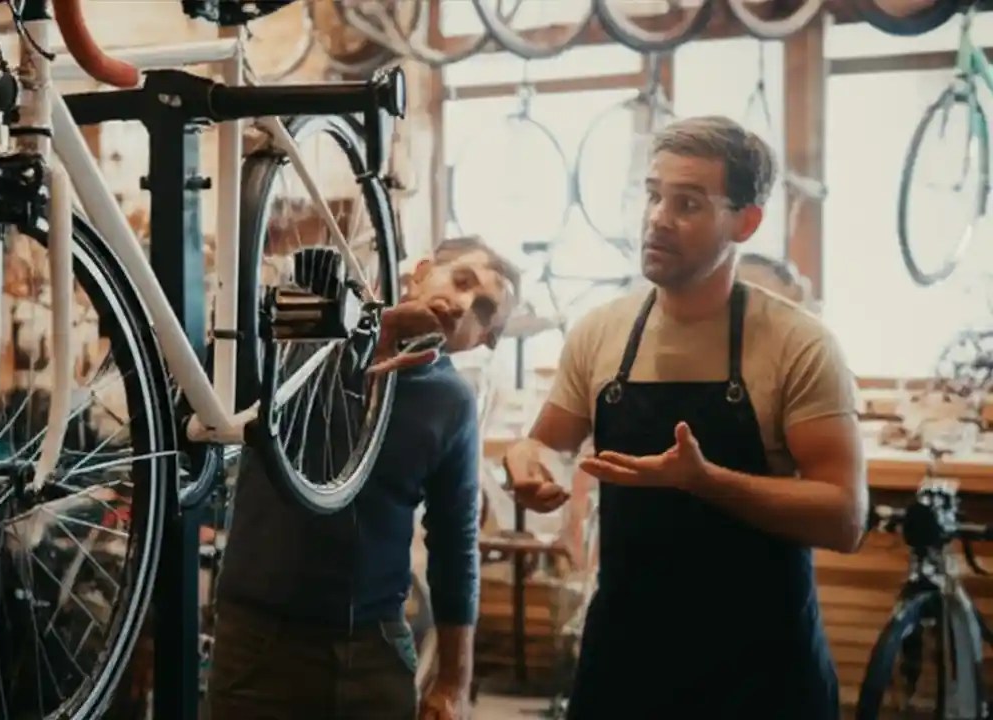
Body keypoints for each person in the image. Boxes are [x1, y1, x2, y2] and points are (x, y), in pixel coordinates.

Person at [503, 115, 867, 720]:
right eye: (652, 195)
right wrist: (529, 464)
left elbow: (844, 517)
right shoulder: (602, 332)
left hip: (760, 674)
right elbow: (545, 443)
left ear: (745, 221)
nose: (657, 218)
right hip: (626, 659)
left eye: (688, 203)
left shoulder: (798, 345)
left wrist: (706, 481)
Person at [208, 235, 520, 720]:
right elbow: (223, 392)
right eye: (460, 281)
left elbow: (456, 546)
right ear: (419, 272)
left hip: (372, 648)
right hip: (258, 639)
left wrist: (455, 682)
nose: (462, 304)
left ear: (483, 340)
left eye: (483, 310)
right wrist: (384, 329)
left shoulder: (451, 403)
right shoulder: (311, 332)